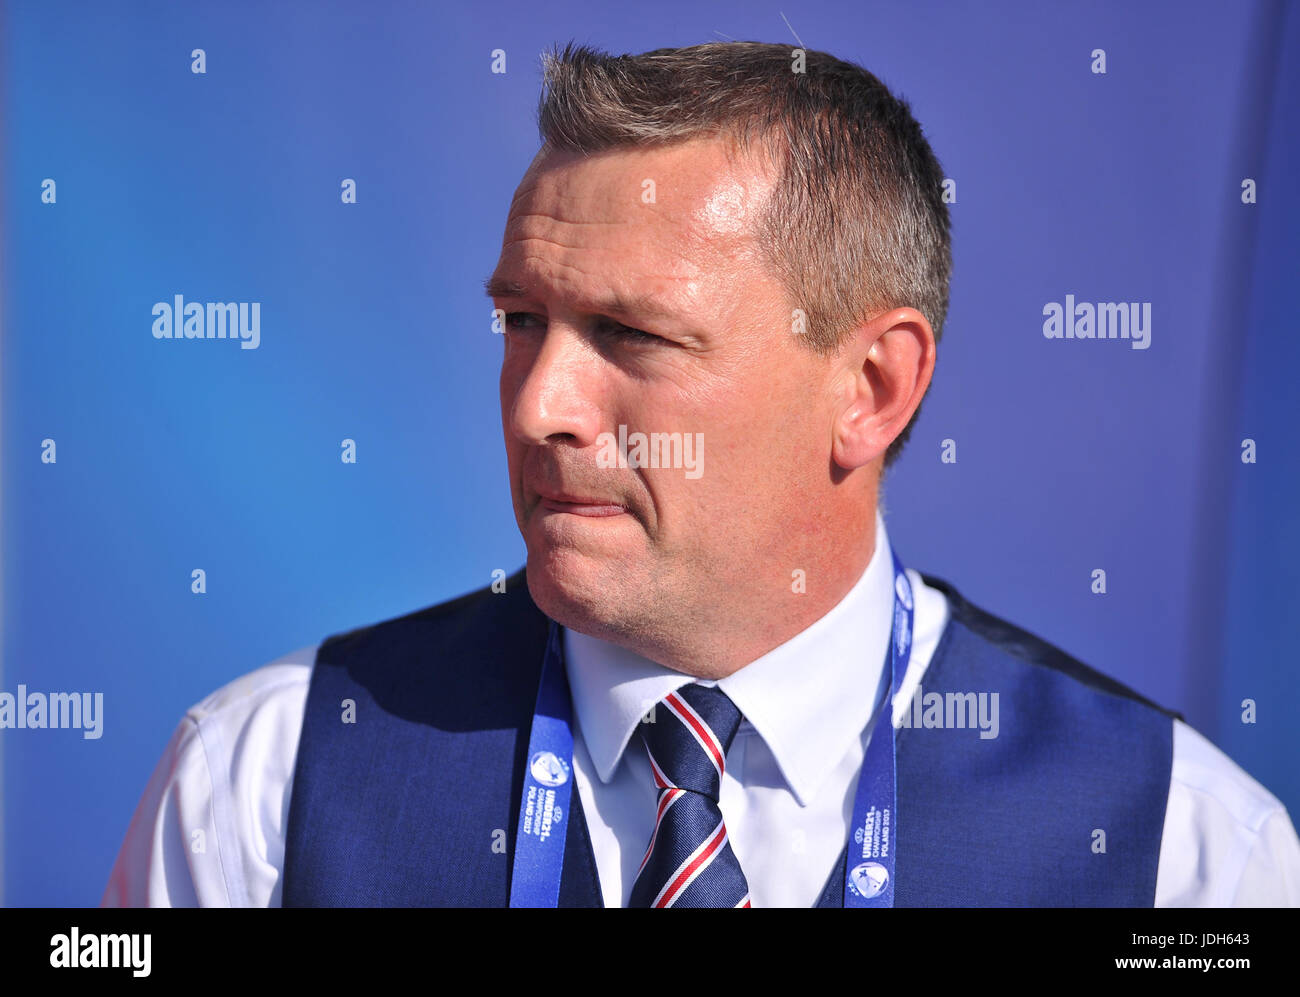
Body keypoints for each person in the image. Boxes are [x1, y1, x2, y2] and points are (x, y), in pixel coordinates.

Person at [103, 40, 1300, 908]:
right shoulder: (268, 784)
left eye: (631, 337)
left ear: (871, 388)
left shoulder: (1178, 853)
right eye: (521, 320)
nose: (539, 406)